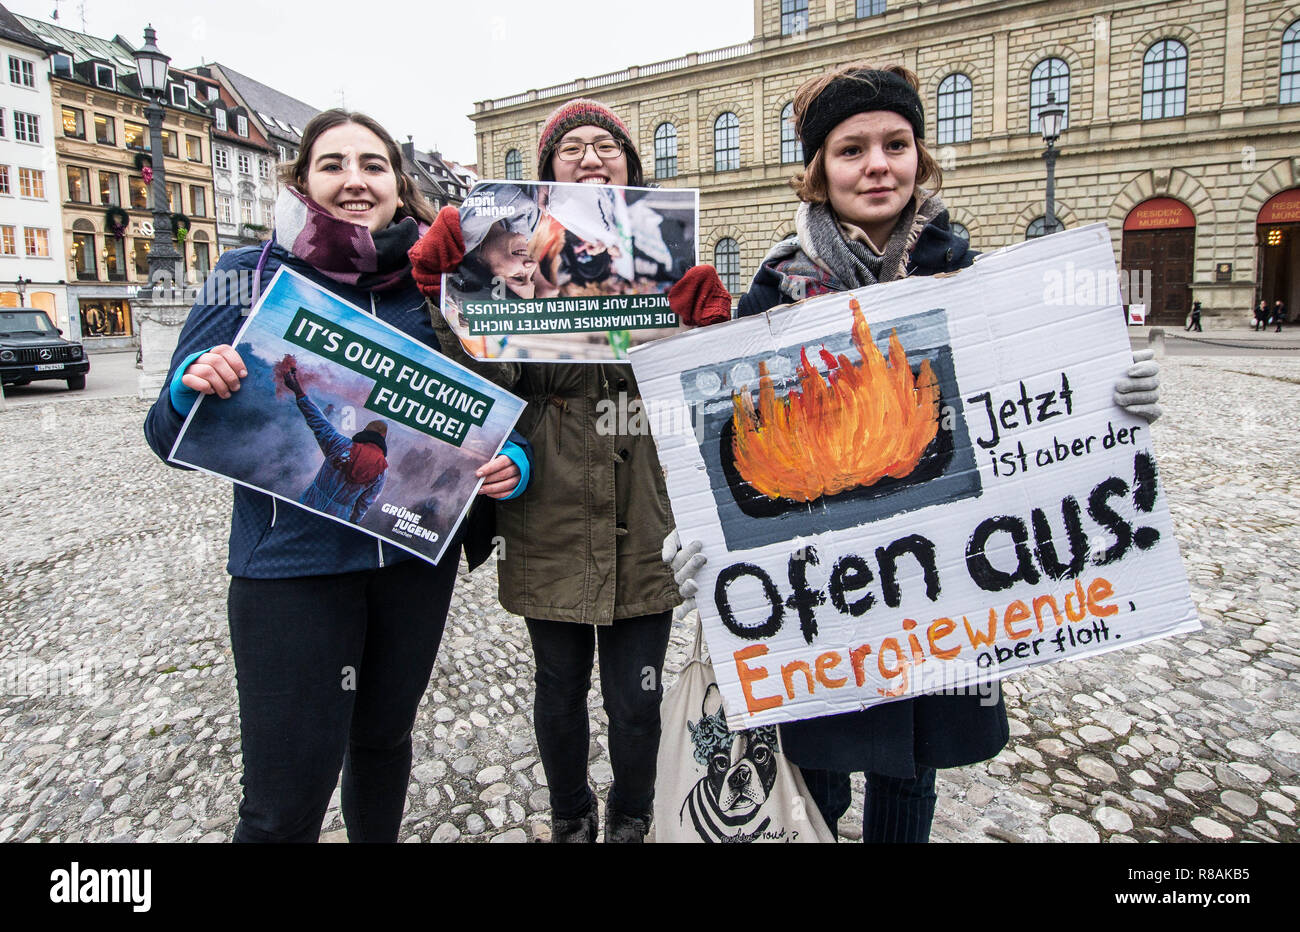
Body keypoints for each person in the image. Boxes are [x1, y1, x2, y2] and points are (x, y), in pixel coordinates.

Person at [671, 64, 1162, 842]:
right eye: (851, 149)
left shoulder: (965, 269)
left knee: (912, 772)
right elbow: (731, 440)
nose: (877, 164)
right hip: (825, 593)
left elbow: (1037, 397)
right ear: (818, 171)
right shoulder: (776, 286)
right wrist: (699, 534)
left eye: (896, 144)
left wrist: (1116, 397)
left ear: (919, 157)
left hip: (938, 585)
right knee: (819, 773)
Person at [143, 109, 533, 843]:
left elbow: (500, 405)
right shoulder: (246, 276)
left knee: (383, 745)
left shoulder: (441, 285)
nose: (355, 180)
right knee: (282, 805)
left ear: (398, 183)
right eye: (333, 164)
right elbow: (166, 439)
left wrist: (516, 459)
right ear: (302, 182)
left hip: (412, 568)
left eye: (374, 165)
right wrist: (186, 390)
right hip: (291, 571)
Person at [408, 98, 729, 842]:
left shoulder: (662, 256)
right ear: (547, 172)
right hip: (547, 500)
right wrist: (444, 290)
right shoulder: (517, 257)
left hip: (644, 503)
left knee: (635, 695)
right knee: (556, 686)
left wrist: (708, 328)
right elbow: (483, 381)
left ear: (631, 166)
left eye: (605, 146)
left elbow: (710, 397)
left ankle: (632, 816)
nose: (590, 156)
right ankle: (570, 815)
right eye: (572, 148)